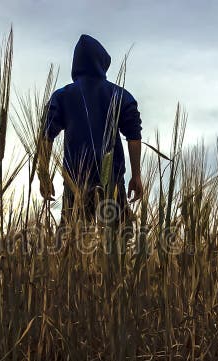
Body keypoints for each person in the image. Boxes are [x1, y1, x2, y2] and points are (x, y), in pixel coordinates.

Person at [40, 34, 143, 227]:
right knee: (117, 242)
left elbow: (46, 136)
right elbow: (134, 136)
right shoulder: (119, 94)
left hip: (75, 182)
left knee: (73, 245)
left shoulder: (62, 96)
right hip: (111, 179)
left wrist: (44, 174)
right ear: (102, 63)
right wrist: (136, 175)